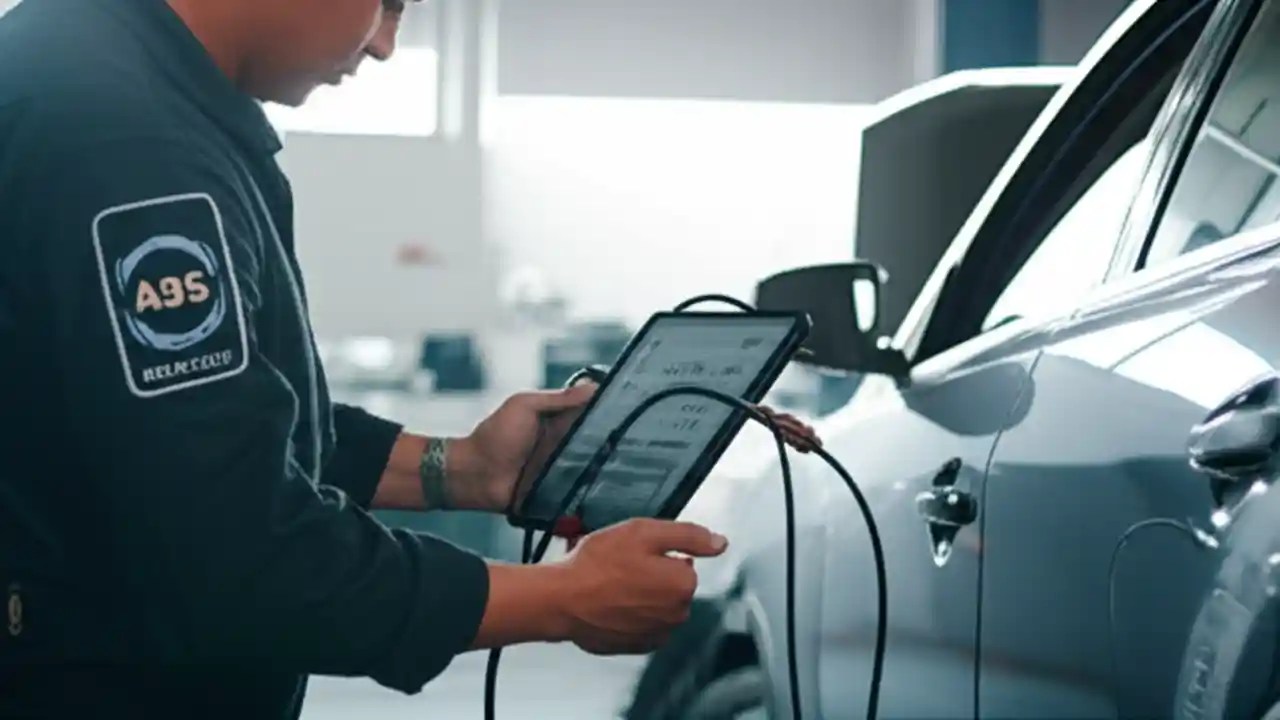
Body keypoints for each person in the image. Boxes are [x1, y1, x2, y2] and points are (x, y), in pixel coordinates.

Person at [0, 0, 820, 717]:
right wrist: (563, 597)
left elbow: (193, 435)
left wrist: (459, 469)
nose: (386, 45)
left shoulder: (114, 81)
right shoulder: (120, 136)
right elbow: (235, 553)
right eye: (390, 2)